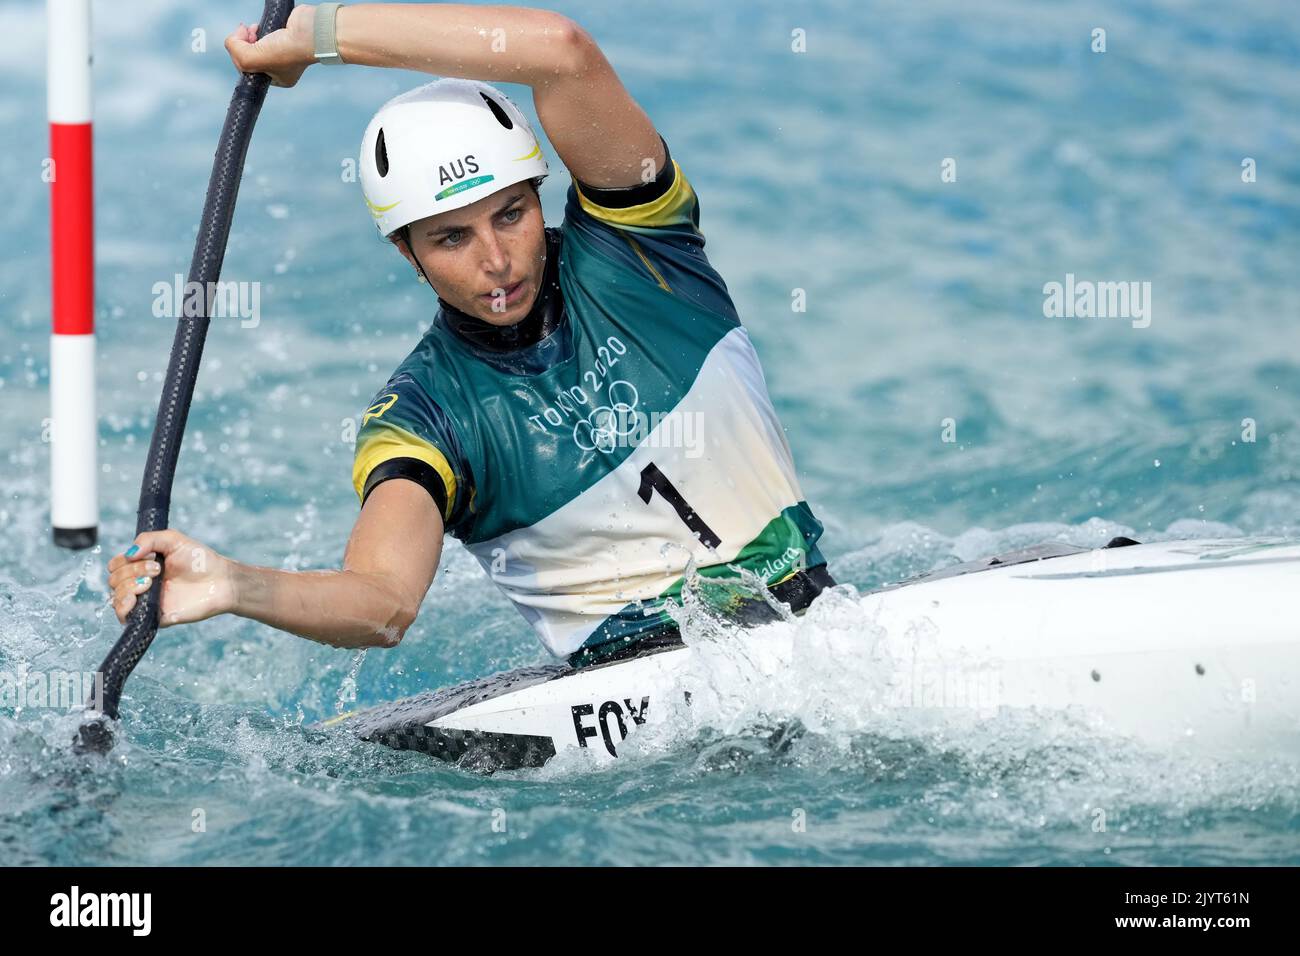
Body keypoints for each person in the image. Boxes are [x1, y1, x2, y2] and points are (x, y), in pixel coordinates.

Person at [108, 3, 834, 668]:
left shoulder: (642, 248)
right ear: (408, 254)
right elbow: (383, 601)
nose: (495, 260)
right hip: (639, 714)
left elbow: (560, 49)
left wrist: (320, 38)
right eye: (452, 237)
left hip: (813, 619)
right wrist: (234, 583)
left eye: (510, 214)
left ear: (538, 194)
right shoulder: (425, 415)